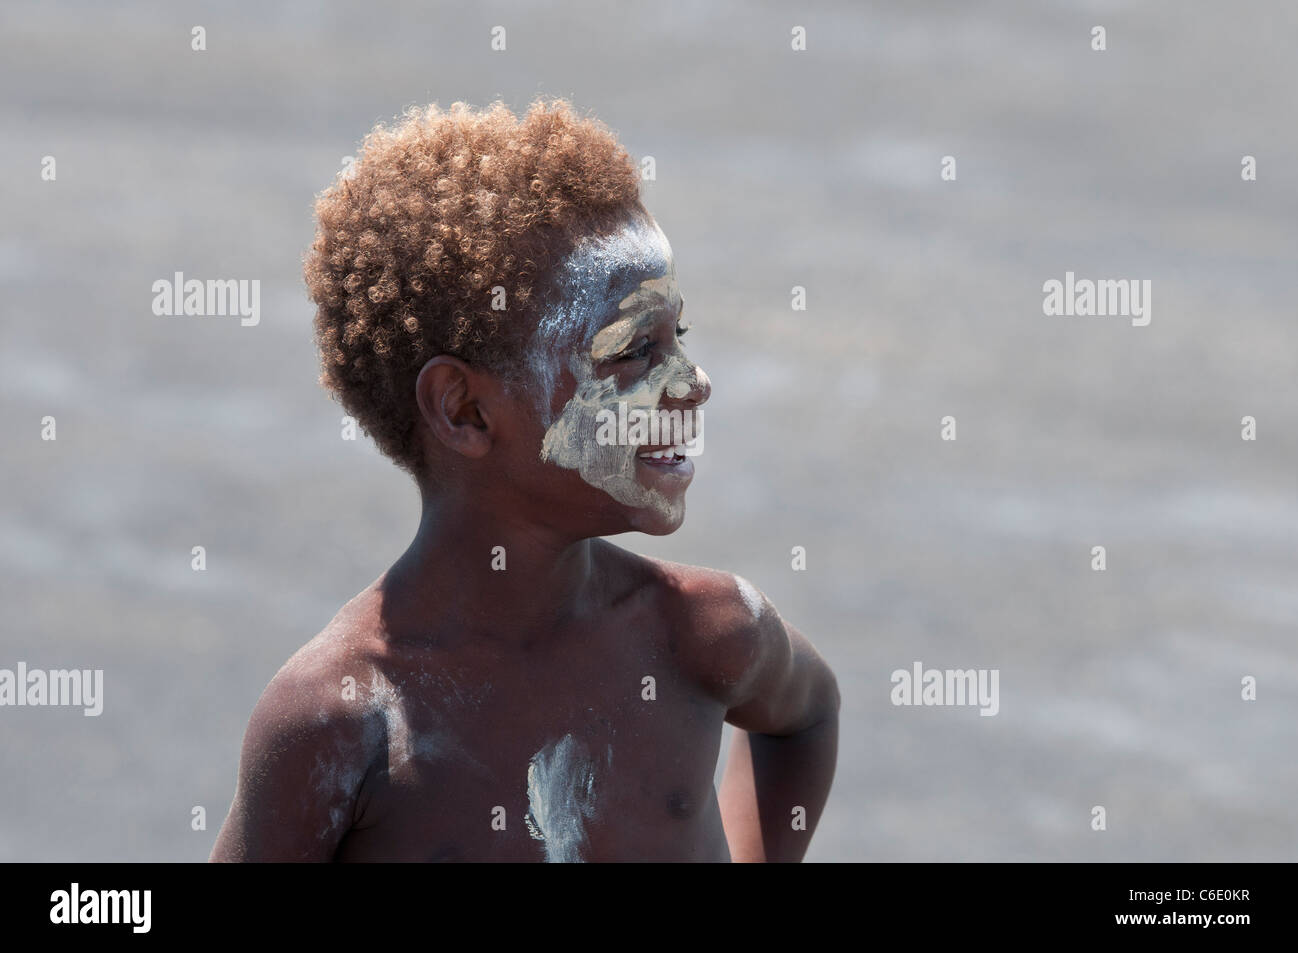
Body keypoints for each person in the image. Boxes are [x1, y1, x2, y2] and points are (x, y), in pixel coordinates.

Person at [210, 99, 839, 862]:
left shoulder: (704, 636)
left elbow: (807, 715)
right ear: (466, 409)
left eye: (682, 337)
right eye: (635, 350)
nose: (694, 384)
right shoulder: (344, 721)